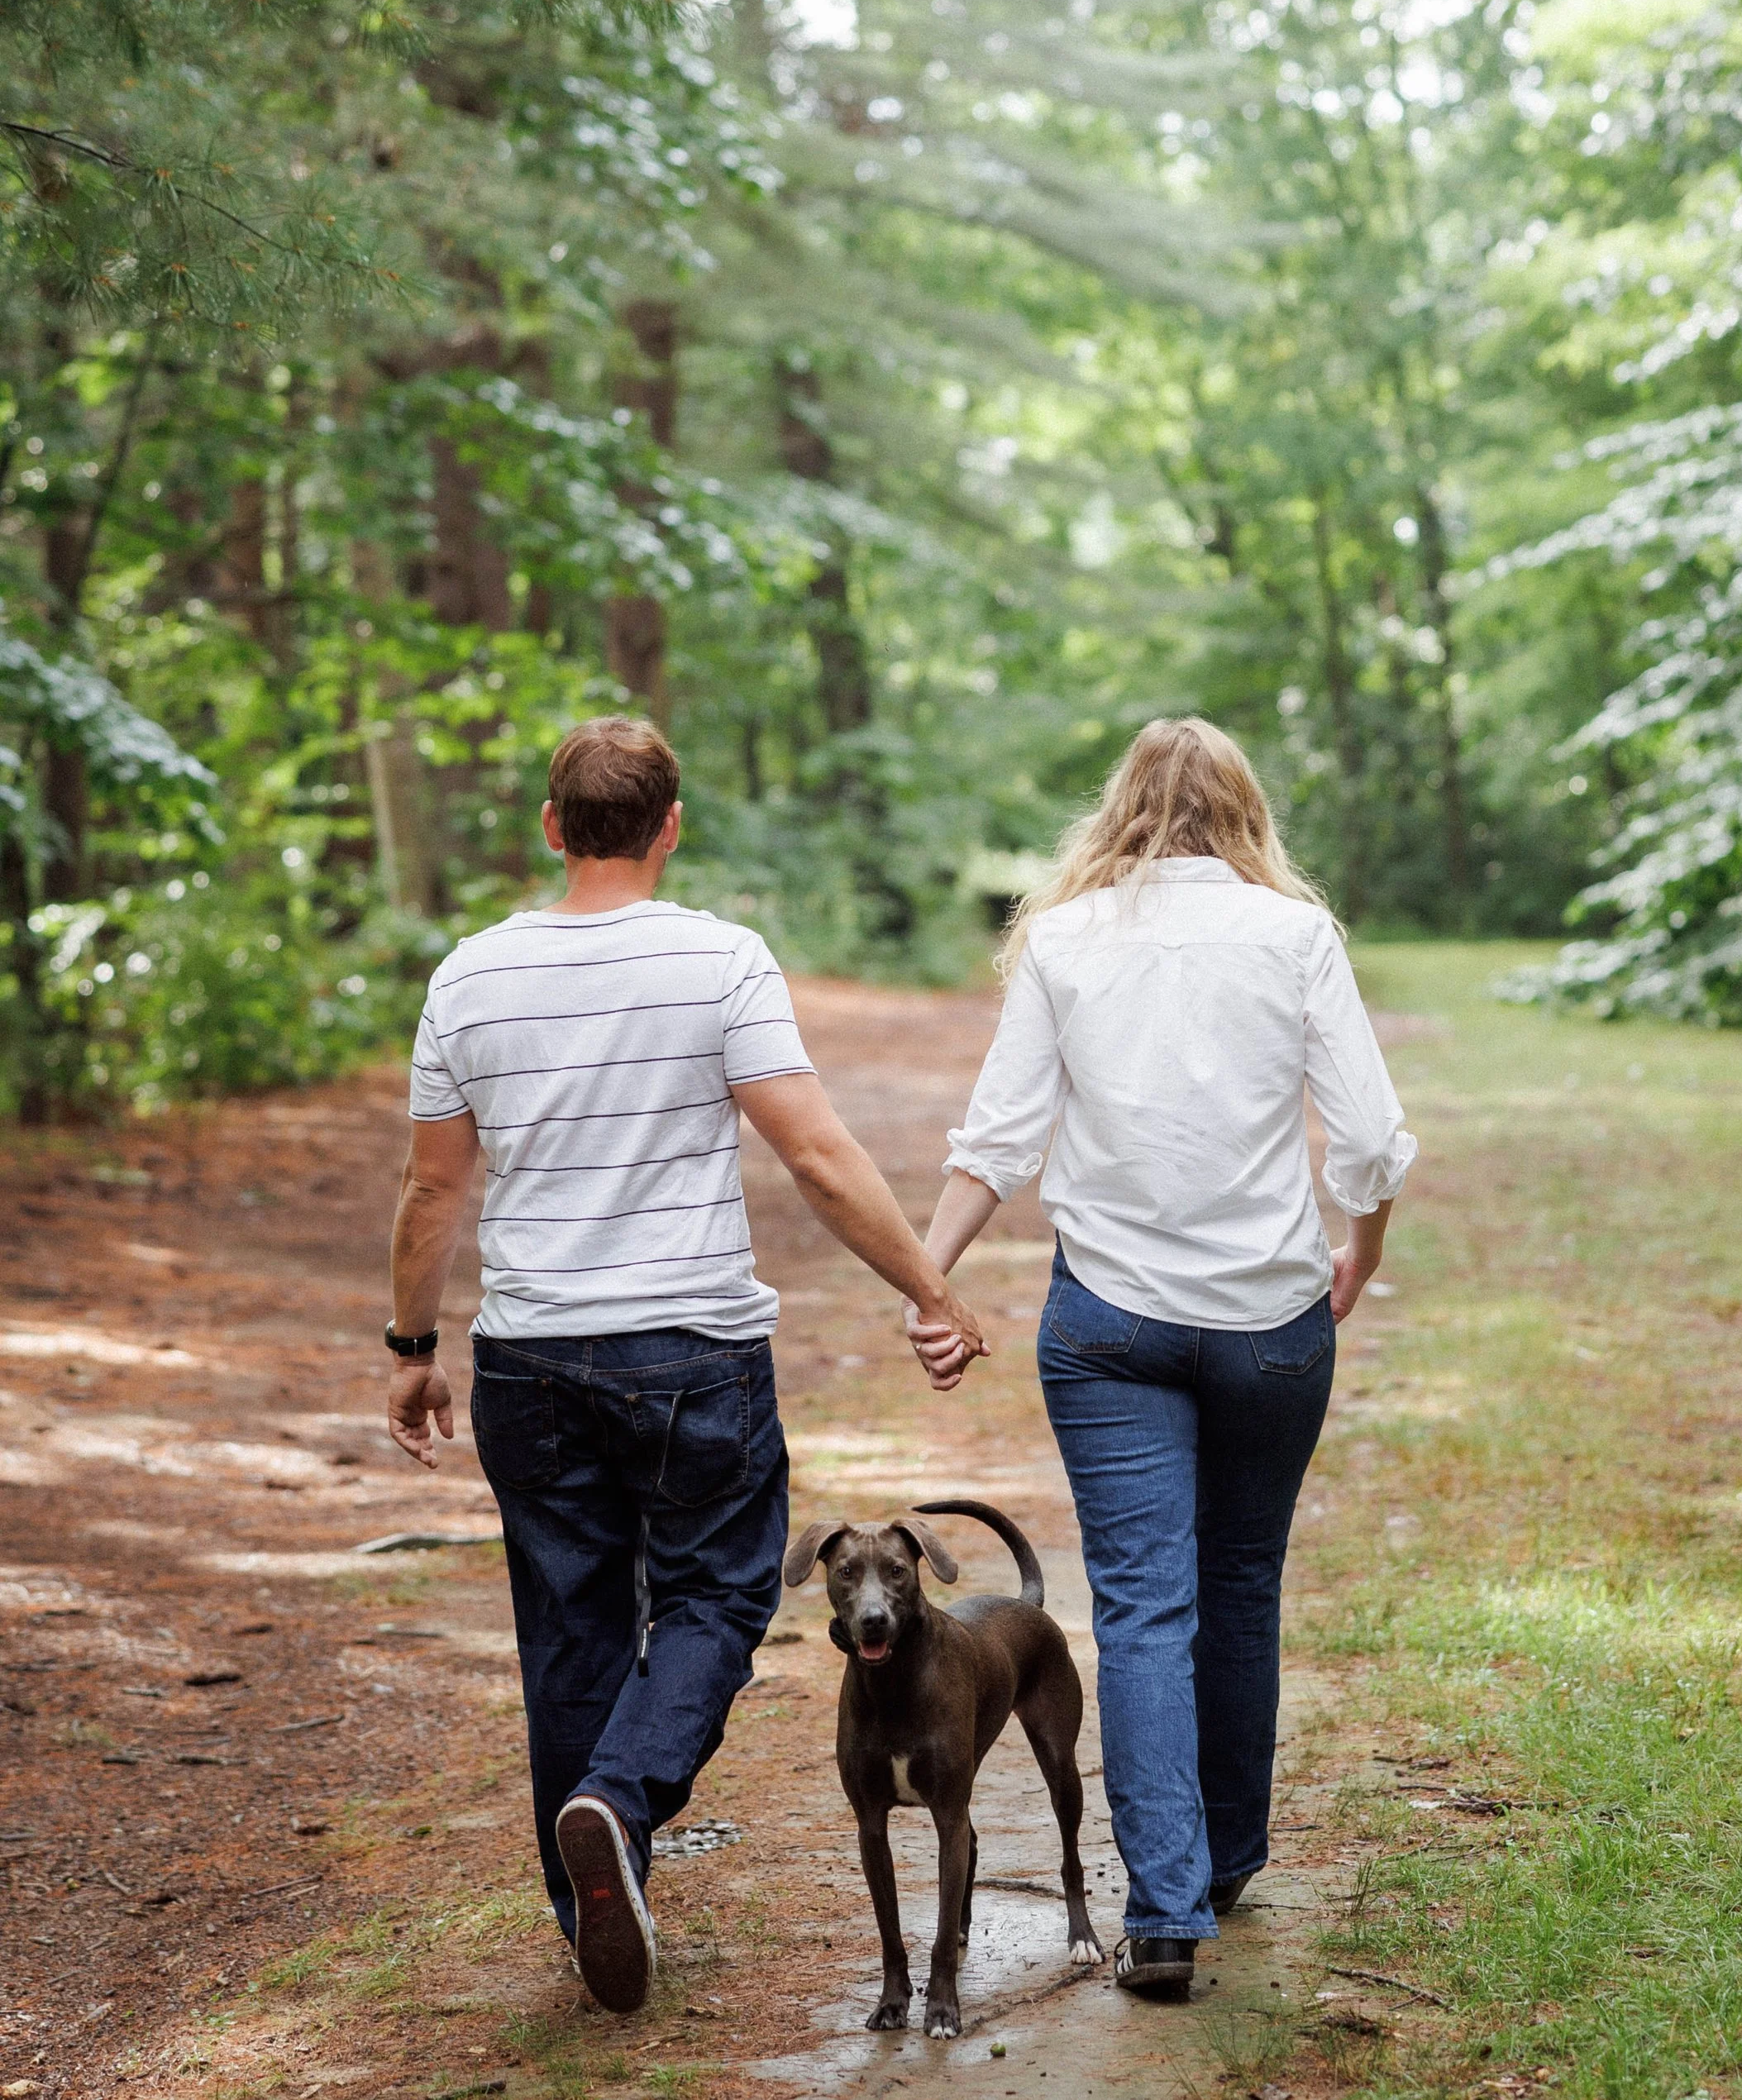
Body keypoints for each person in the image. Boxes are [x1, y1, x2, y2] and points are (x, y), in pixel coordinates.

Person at [384, 715, 985, 2015]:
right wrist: (929, 1288)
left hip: (530, 1357)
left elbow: (433, 1189)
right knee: (717, 1595)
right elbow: (815, 1153)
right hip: (692, 1352)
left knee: (571, 1629)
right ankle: (619, 1802)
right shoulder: (722, 959)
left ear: (553, 826)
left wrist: (414, 1347)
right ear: (670, 826)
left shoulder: (468, 974)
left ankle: (591, 1910)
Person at [907, 716, 1415, 2002]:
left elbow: (999, 1136)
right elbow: (1367, 1134)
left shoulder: (1065, 938)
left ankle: (1168, 1914)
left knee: (1142, 1606)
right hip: (1272, 1319)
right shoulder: (1294, 934)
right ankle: (1225, 1857)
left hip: (1113, 1322)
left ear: (1119, 810)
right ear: (1246, 812)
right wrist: (1360, 1249)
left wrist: (930, 1277)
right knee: (1240, 1583)